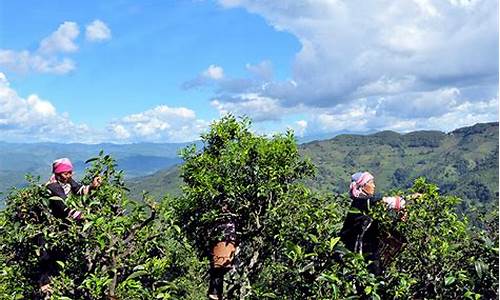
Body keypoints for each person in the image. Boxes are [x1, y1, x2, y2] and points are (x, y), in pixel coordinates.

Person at [39, 157, 102, 297]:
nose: (69, 175)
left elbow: (79, 189)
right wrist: (88, 217)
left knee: (60, 256)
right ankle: (46, 288)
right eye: (66, 173)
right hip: (49, 228)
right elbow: (66, 209)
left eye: (70, 172)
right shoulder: (53, 187)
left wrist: (92, 186)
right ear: (57, 173)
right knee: (48, 258)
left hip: (60, 226)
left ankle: (57, 282)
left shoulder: (65, 181)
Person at [207, 206, 238, 300]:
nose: (224, 208)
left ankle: (217, 293)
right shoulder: (217, 219)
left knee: (219, 271)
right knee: (218, 271)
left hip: (227, 248)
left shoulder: (232, 218)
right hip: (222, 248)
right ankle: (216, 293)